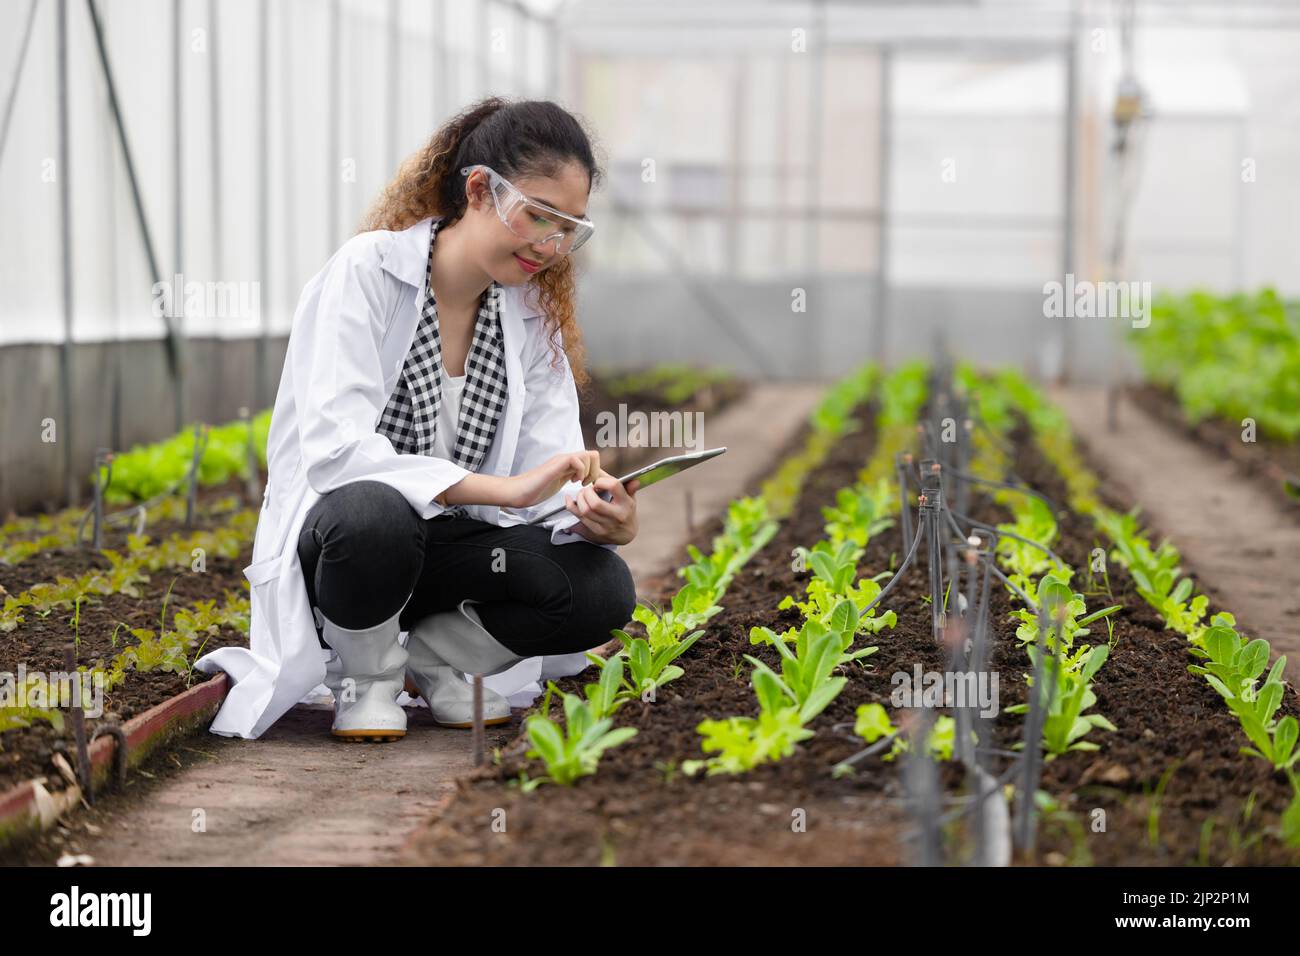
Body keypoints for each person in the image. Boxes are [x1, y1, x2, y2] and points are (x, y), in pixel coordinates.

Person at [194, 96, 639, 742]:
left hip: (452, 560)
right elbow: (337, 453)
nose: (551, 245)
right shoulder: (367, 273)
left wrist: (598, 516)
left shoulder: (532, 314)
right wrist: (503, 490)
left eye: (569, 228)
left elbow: (549, 475)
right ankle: (368, 676)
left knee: (602, 589)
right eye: (538, 216)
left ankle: (441, 659)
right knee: (374, 514)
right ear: (481, 190)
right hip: (355, 559)